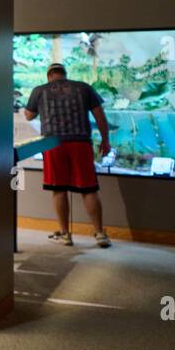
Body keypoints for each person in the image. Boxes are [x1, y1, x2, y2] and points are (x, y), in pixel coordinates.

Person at [23, 62, 112, 248]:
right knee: (89, 189)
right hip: (80, 143)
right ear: (64, 74)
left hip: (53, 144)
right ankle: (100, 234)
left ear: (49, 76)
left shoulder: (40, 90)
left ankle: (65, 234)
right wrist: (105, 140)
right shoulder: (83, 88)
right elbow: (100, 116)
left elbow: (29, 115)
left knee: (59, 188)